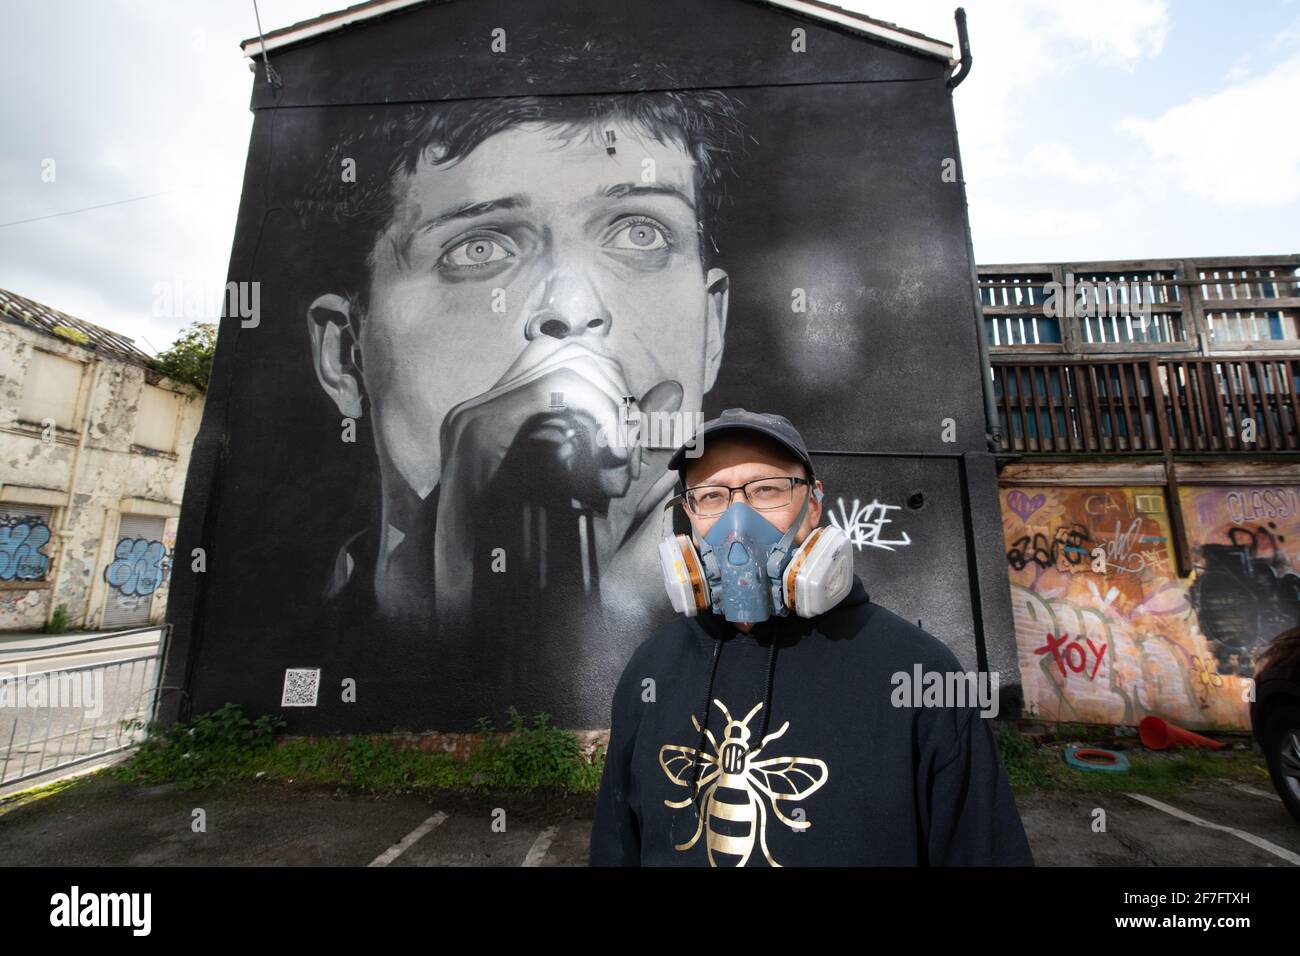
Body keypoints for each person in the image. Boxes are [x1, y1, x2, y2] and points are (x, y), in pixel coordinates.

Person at [296, 89, 748, 713]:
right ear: (345, 356)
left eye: (641, 232)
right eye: (477, 248)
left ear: (712, 328)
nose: (571, 311)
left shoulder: (780, 641)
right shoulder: (287, 649)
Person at [589, 408, 1034, 866]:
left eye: (767, 490)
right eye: (711, 495)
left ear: (814, 503)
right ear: (689, 514)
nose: (736, 522)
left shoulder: (920, 675)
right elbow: (616, 844)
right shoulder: (651, 671)